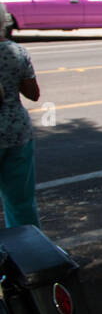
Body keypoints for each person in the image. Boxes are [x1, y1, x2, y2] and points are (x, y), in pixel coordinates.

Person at [0, 37, 41, 227]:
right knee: (21, 202)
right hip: (15, 131)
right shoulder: (16, 52)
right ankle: (27, 251)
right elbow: (33, 94)